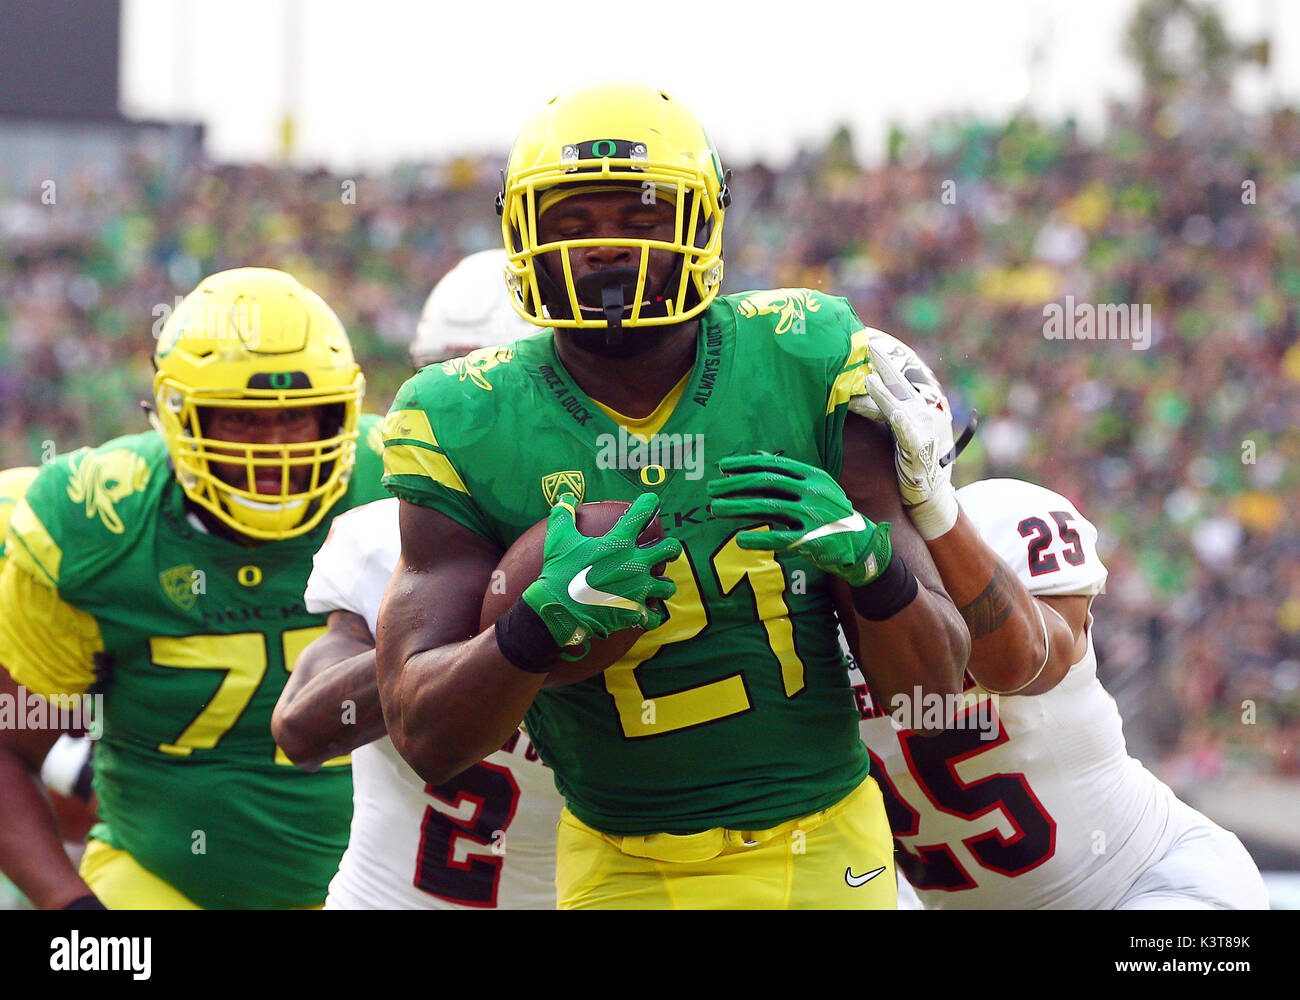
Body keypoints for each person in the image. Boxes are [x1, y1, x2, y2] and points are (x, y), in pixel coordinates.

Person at [375, 82, 969, 910]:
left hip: (817, 840)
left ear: (703, 221)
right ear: (522, 235)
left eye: (642, 219)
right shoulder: (460, 417)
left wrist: (877, 570)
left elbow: (930, 692)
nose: (606, 247)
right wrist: (534, 627)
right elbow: (423, 734)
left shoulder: (805, 356)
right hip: (617, 858)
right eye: (571, 222)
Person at [0, 267, 388, 909]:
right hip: (162, 883)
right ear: (178, 418)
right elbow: (12, 744)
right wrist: (75, 914)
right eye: (242, 421)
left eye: (301, 419)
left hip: (387, 885)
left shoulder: (399, 482)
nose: (277, 450)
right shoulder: (98, 522)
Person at [853, 334, 1270, 909]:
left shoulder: (1001, 521)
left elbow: (1027, 664)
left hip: (1145, 886)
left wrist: (932, 511)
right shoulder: (787, 591)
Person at [272, 249, 564, 909]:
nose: (454, 418)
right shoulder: (385, 537)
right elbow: (300, 730)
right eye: (441, 384)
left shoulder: (627, 548)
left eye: (487, 393)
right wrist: (446, 651)